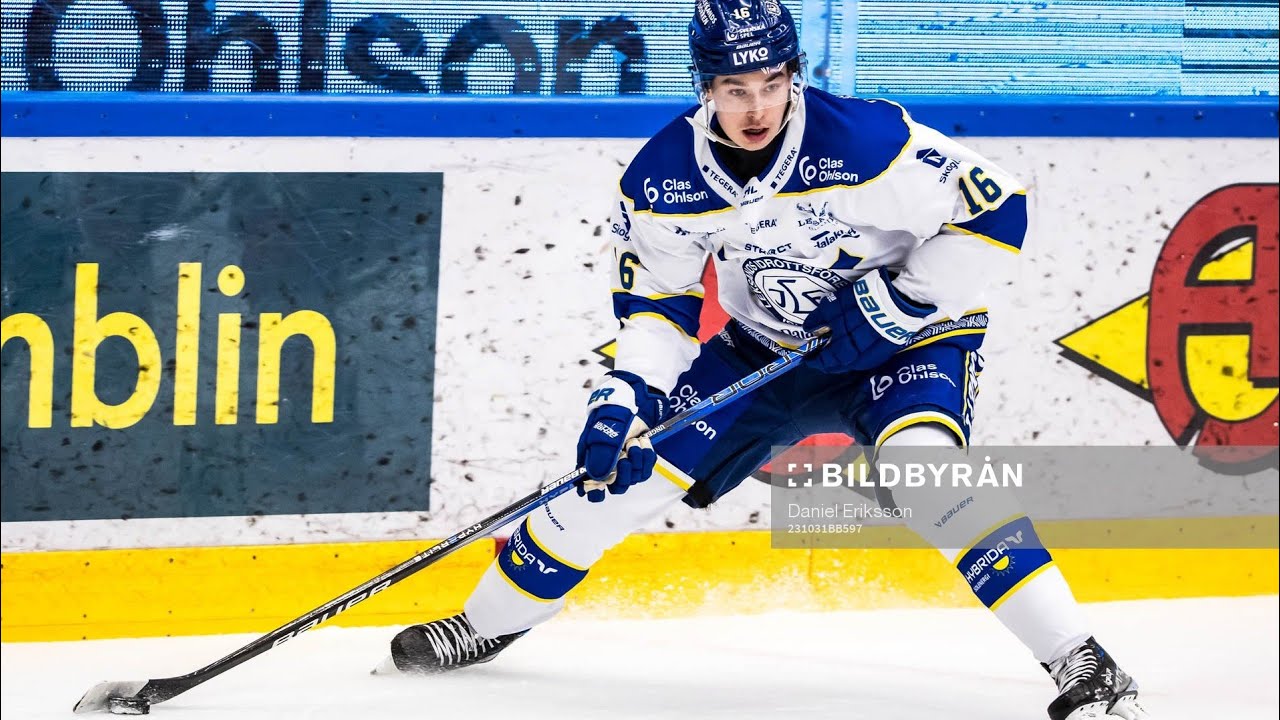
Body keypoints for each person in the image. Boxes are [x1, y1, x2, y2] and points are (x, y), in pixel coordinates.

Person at [376, 2, 1149, 718]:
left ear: (794, 77)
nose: (756, 108)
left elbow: (999, 208)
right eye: (734, 87)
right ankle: (481, 626)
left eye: (772, 84)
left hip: (908, 346)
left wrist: (900, 304)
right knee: (618, 479)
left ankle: (1084, 662)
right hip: (763, 353)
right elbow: (660, 306)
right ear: (705, 84)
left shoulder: (869, 143)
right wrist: (622, 396)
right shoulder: (665, 175)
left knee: (929, 478)